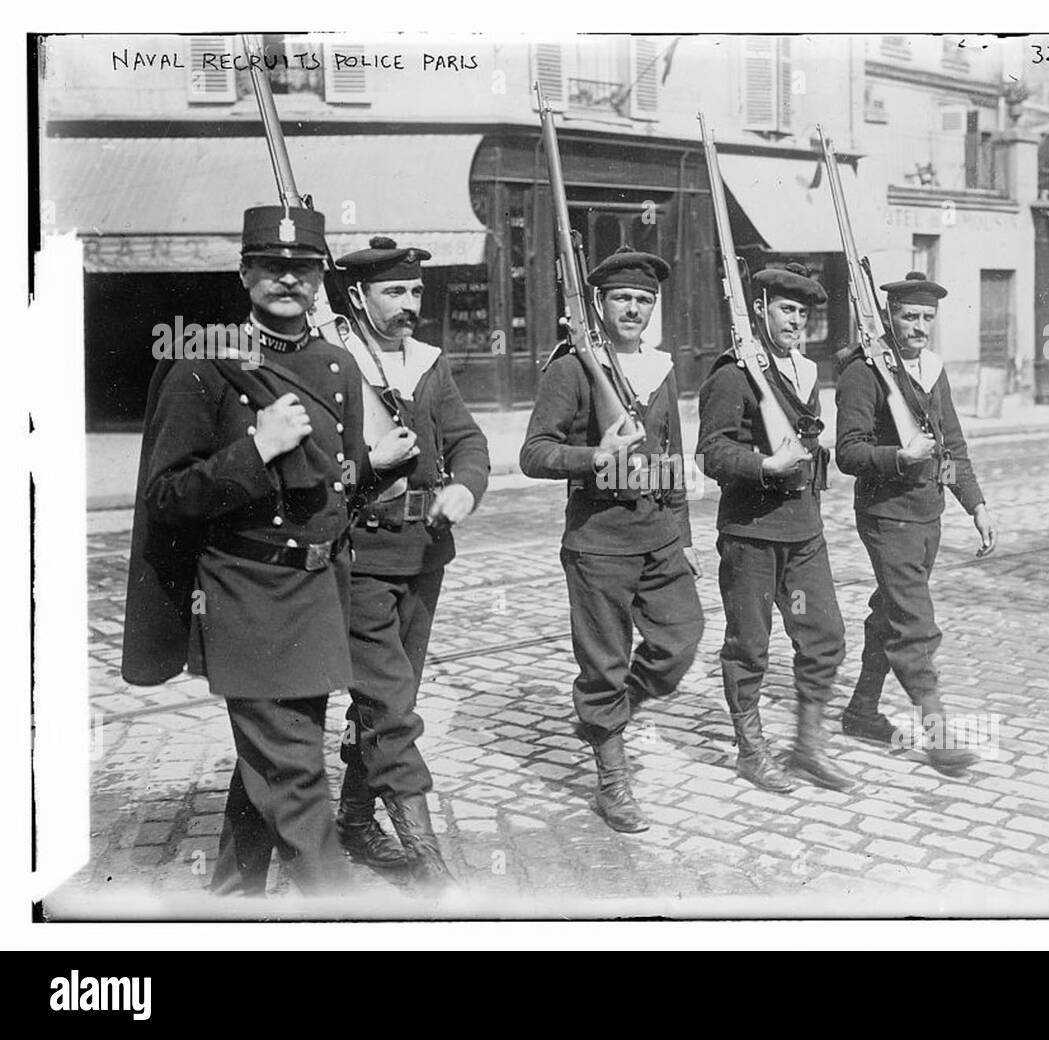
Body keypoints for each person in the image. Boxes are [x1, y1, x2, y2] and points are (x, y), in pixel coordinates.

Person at [122, 205, 417, 897]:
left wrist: (377, 467)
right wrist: (255, 449)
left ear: (319, 280)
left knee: (274, 764)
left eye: (303, 268)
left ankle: (230, 903)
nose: (288, 279)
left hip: (316, 594)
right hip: (245, 594)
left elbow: (336, 482)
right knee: (295, 774)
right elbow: (166, 495)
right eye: (273, 266)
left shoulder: (337, 365)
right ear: (245, 272)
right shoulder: (206, 366)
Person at [519, 246, 704, 833]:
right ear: (598, 304)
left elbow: (671, 452)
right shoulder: (572, 367)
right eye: (623, 298)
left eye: (645, 301)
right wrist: (594, 455)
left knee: (680, 639)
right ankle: (612, 779)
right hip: (598, 542)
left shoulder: (660, 368)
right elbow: (533, 453)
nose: (634, 309)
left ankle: (605, 717)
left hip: (657, 536)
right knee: (604, 662)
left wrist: (686, 535)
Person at [331, 236, 490, 890]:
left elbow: (469, 441)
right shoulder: (333, 363)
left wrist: (465, 487)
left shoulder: (429, 364)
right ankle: (430, 866)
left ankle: (352, 817)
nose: (408, 305)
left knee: (391, 698)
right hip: (360, 557)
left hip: (424, 553)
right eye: (393, 292)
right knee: (392, 708)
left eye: (416, 291)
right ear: (358, 297)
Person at [834, 271, 998, 776]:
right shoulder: (865, 372)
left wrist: (976, 505)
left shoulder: (931, 369)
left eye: (927, 317)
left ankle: (861, 711)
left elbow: (953, 443)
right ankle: (938, 732)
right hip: (887, 515)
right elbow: (848, 452)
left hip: (929, 515)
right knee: (915, 621)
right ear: (890, 317)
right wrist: (900, 457)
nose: (919, 325)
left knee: (891, 611)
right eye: (909, 316)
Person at [697, 262, 852, 793]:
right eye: (787, 309)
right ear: (759, 310)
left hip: (803, 531)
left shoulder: (803, 371)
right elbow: (711, 451)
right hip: (751, 533)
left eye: (803, 312)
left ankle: (808, 746)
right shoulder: (732, 373)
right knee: (749, 644)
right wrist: (764, 466)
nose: (796, 321)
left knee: (825, 635)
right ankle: (751, 750)